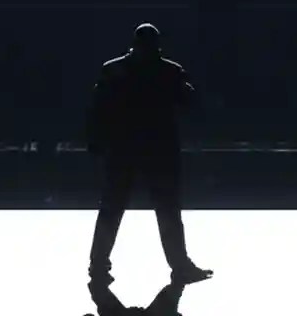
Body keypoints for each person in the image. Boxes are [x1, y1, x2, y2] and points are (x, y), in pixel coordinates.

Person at [86, 23, 212, 285]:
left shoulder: (113, 70)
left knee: (111, 209)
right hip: (159, 150)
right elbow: (189, 103)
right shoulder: (169, 71)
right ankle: (180, 266)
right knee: (167, 211)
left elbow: (98, 110)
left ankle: (98, 266)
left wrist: (96, 142)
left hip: (123, 149)